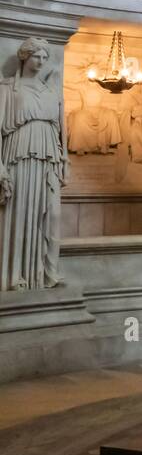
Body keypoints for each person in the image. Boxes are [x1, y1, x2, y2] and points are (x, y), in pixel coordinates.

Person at [0, 38, 66, 289]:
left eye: (44, 58)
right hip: (19, 156)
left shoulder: (51, 91)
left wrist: (62, 160)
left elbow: (58, 129)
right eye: (36, 56)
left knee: (52, 215)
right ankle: (15, 275)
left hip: (48, 158)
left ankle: (46, 273)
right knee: (20, 216)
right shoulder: (8, 89)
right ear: (25, 57)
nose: (41, 62)